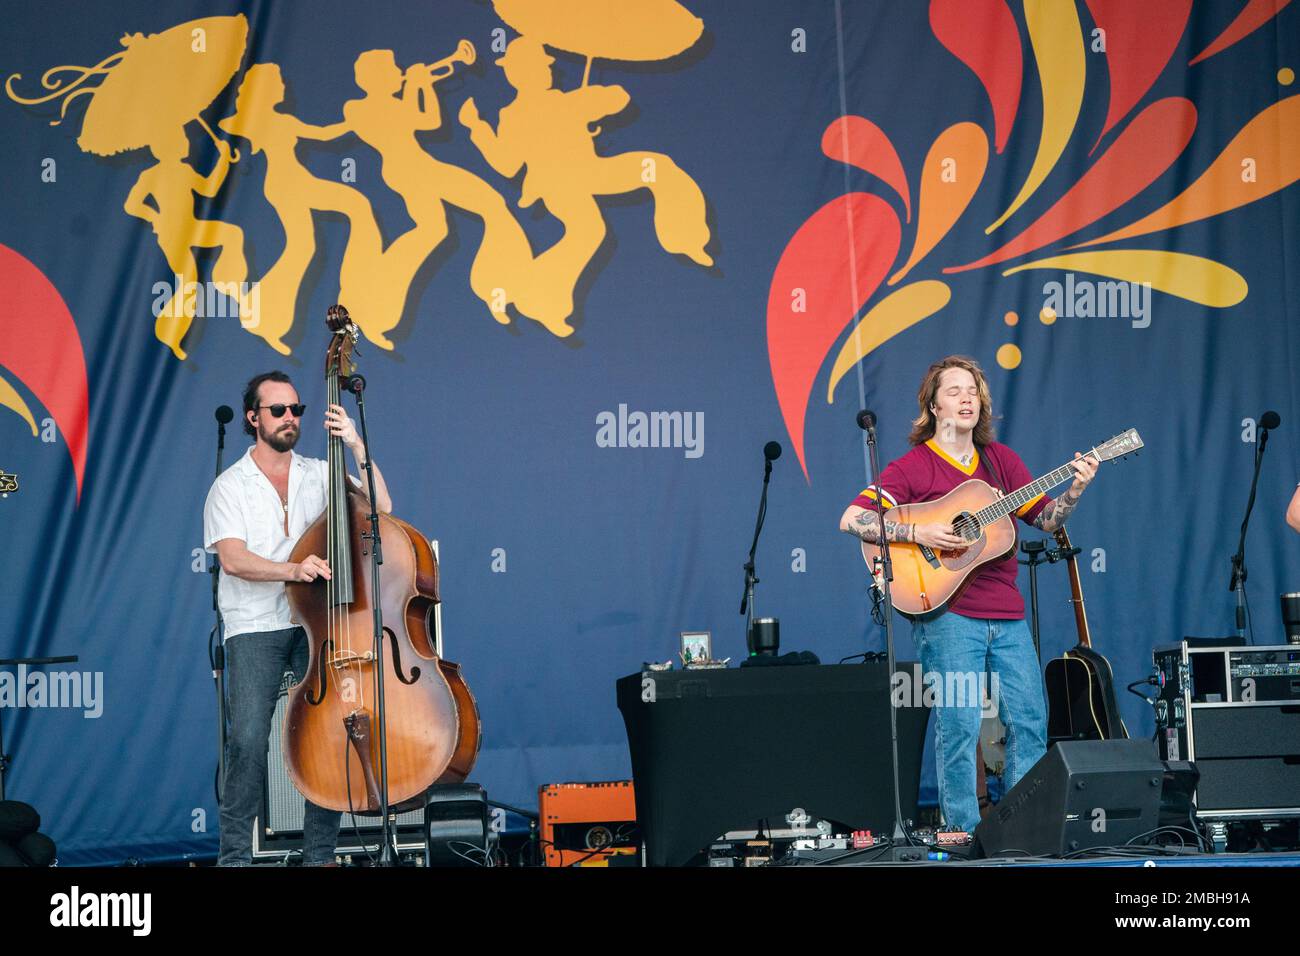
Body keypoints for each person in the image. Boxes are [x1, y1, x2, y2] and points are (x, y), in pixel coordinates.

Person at [838, 355, 1097, 834]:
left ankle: (1023, 830)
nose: (966, 399)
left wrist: (1076, 489)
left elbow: (1047, 519)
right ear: (933, 406)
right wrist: (922, 531)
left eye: (973, 391)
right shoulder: (913, 466)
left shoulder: (1002, 462)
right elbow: (852, 519)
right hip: (949, 617)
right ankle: (961, 835)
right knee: (958, 726)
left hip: (1008, 616)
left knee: (1029, 721)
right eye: (955, 391)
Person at [203, 370, 392, 866]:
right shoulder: (230, 486)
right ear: (253, 418)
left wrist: (353, 443)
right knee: (246, 742)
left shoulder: (320, 471)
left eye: (297, 411)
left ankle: (319, 856)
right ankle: (235, 859)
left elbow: (382, 509)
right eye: (279, 411)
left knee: (329, 736)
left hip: (318, 623)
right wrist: (294, 568)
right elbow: (234, 559)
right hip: (255, 624)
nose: (291, 419)